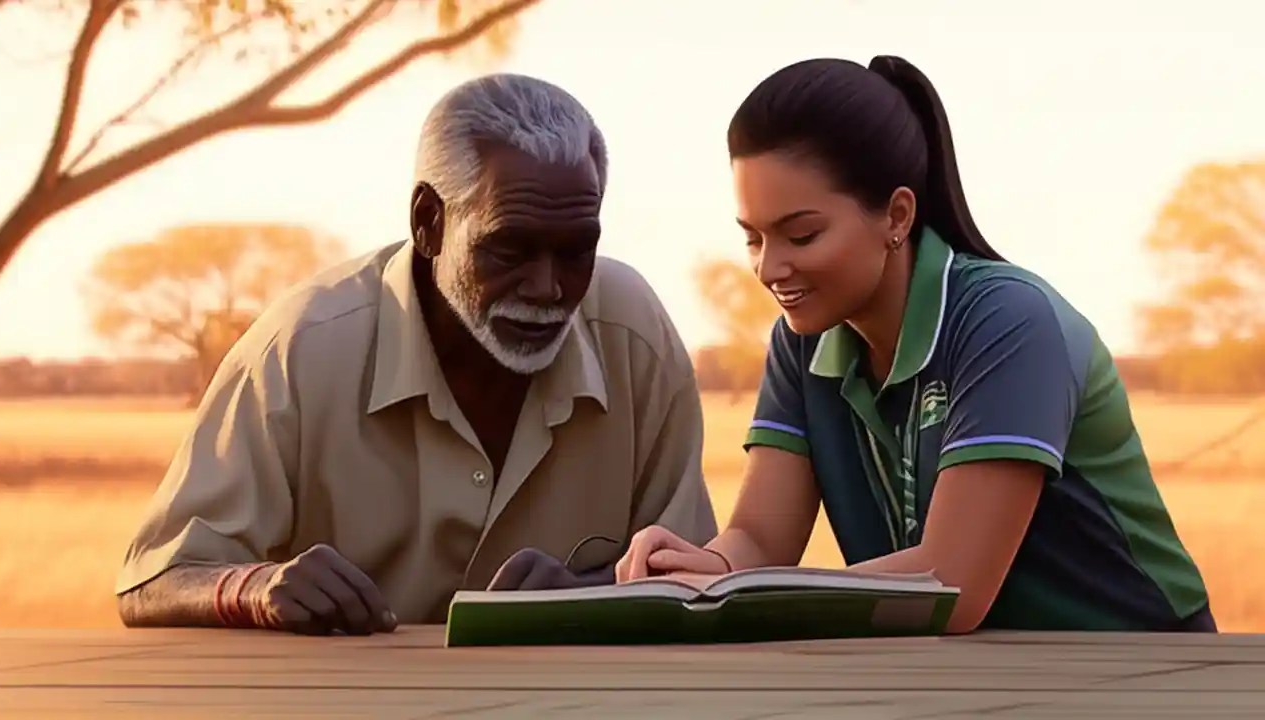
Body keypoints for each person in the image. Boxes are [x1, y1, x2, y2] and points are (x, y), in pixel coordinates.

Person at [616, 56, 1216, 634]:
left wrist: (749, 599)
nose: (771, 268)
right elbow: (760, 540)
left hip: (1139, 662)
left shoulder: (1006, 322)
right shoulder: (800, 345)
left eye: (802, 234)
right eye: (753, 238)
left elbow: (949, 587)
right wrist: (700, 572)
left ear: (897, 215)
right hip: (959, 675)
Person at [115, 73, 717, 635]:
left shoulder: (634, 335)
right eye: (510, 249)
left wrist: (583, 597)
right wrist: (255, 588)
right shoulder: (300, 351)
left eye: (576, 250)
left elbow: (700, 584)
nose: (548, 288)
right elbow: (156, 577)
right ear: (428, 222)